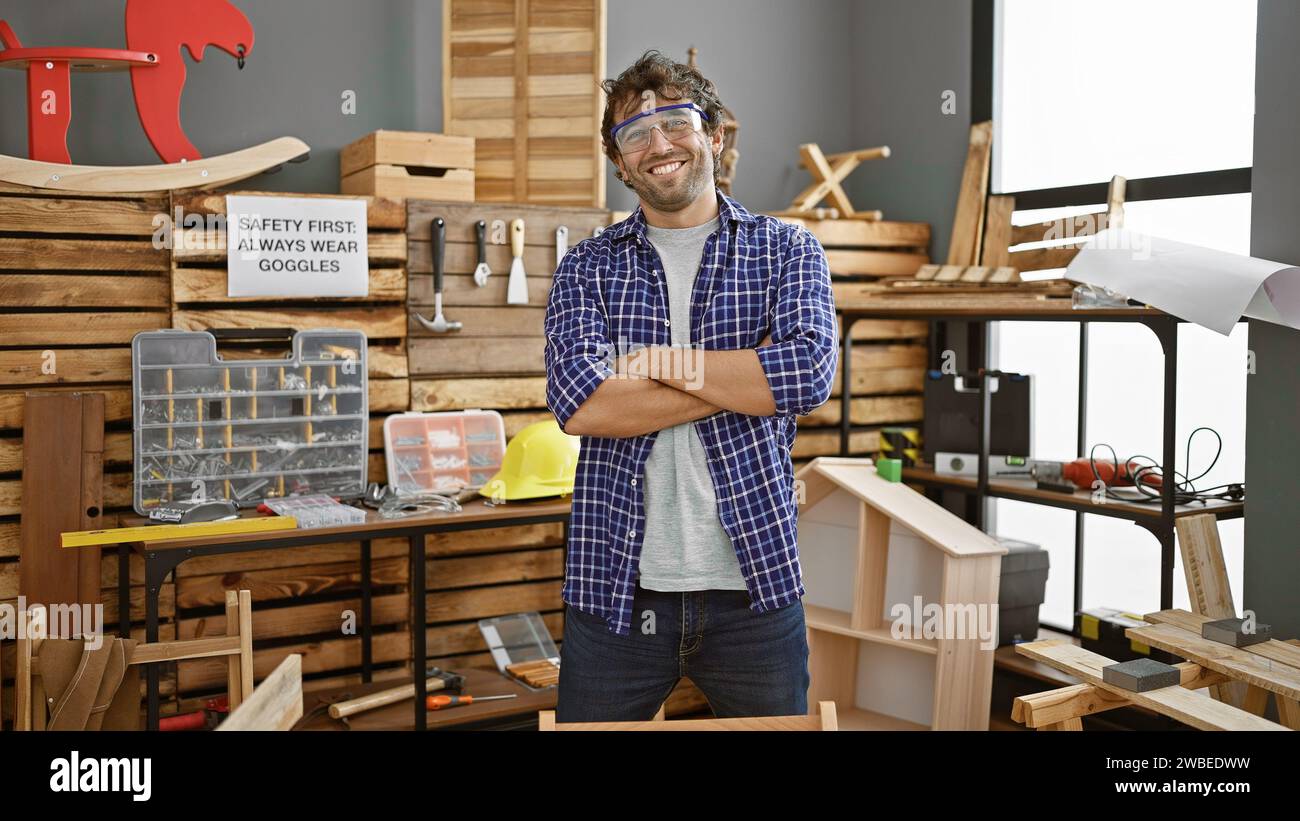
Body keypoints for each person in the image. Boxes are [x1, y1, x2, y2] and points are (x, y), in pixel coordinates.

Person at [544, 49, 838, 721]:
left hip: (754, 589)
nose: (659, 144)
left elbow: (805, 373)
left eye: (675, 121)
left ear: (715, 134)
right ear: (620, 162)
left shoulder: (786, 251)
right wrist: (743, 371)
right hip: (614, 590)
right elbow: (582, 402)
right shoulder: (586, 268)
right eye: (635, 134)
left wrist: (658, 364)